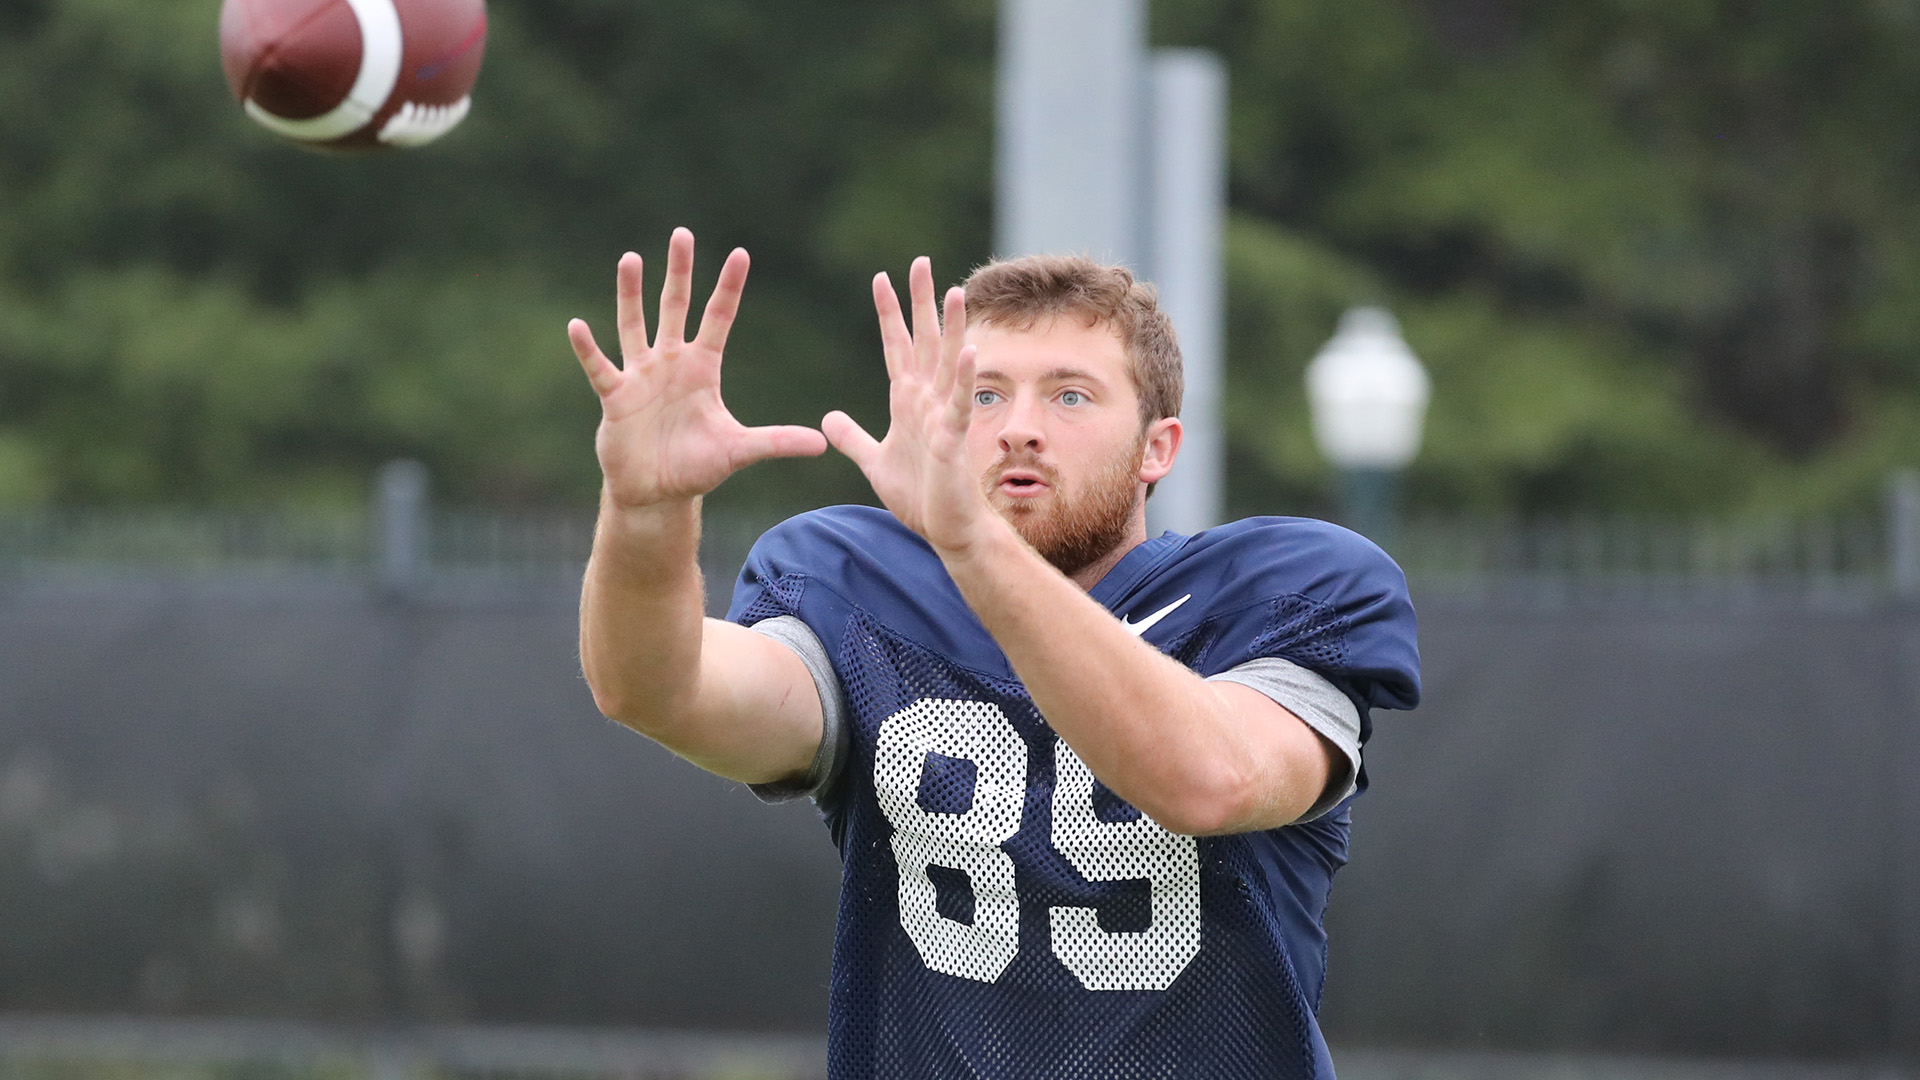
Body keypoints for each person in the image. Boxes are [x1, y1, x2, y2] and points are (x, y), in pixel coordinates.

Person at [569, 227, 1421, 1080]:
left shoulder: (1284, 588)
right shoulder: (861, 586)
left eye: (1070, 397)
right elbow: (659, 691)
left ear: (1157, 449)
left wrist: (975, 546)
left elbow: (1209, 779)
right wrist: (644, 512)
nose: (1019, 430)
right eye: (983, 396)